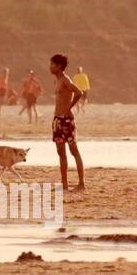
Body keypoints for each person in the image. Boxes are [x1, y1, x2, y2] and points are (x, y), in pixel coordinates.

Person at [49, 53, 86, 191]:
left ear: (59, 66)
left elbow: (79, 92)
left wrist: (69, 107)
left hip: (66, 120)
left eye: (52, 64)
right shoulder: (57, 81)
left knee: (73, 150)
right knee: (60, 152)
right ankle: (64, 185)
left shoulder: (65, 80)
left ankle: (81, 183)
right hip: (57, 120)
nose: (50, 67)